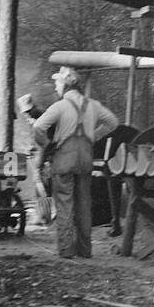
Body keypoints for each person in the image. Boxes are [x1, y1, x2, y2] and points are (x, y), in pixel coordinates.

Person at [32, 67, 118, 259]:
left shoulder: (60, 106)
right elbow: (113, 122)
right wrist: (93, 136)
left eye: (57, 83)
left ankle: (66, 250)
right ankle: (85, 251)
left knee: (65, 204)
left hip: (64, 159)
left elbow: (38, 127)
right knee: (84, 205)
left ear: (65, 85)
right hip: (85, 158)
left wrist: (46, 145)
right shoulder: (93, 105)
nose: (56, 86)